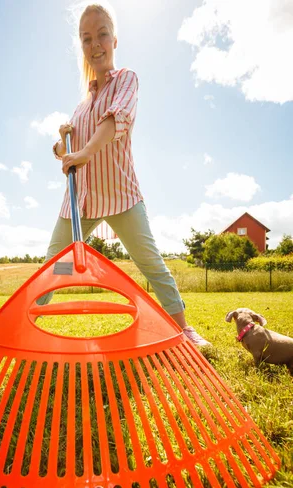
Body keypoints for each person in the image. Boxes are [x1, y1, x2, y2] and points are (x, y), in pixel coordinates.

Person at [39, 1, 210, 347]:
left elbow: (116, 121)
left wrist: (84, 152)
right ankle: (28, 326)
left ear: (114, 40)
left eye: (102, 35)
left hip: (120, 195)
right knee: (53, 266)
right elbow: (65, 151)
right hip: (80, 202)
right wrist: (62, 145)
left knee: (151, 263)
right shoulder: (81, 103)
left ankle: (184, 329)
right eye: (87, 39)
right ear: (82, 47)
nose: (95, 44)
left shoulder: (126, 80)